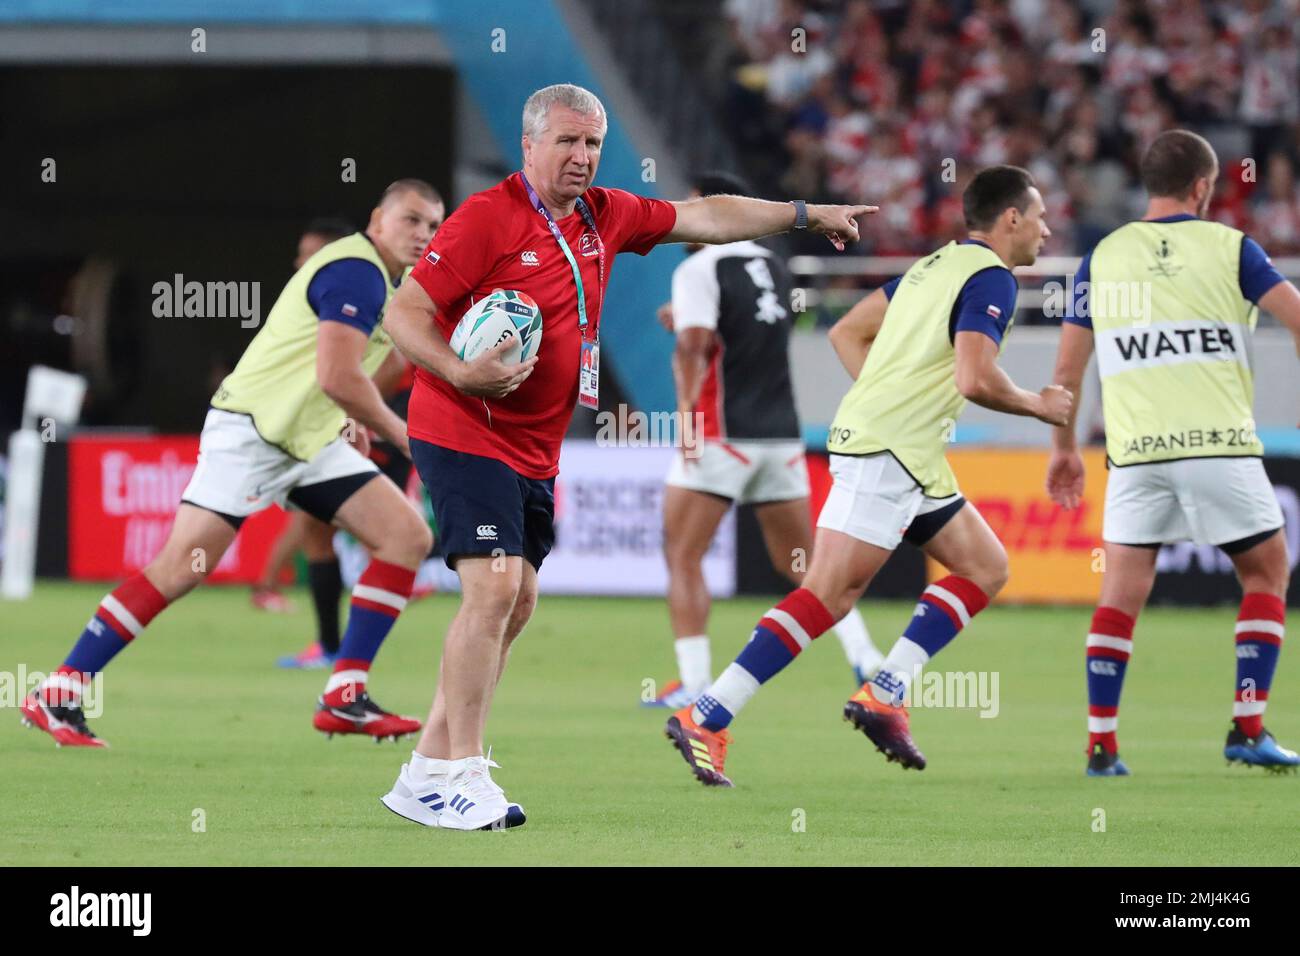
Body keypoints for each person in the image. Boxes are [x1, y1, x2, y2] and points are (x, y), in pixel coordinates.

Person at [380, 82, 876, 830]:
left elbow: (707, 215)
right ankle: (461, 773)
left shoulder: (605, 216)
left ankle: (424, 769)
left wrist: (805, 215)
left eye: (593, 145)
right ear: (530, 145)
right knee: (492, 590)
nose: (581, 158)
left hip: (533, 449)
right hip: (461, 428)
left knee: (515, 601)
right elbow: (403, 312)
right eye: (567, 143)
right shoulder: (489, 217)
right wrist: (458, 371)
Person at [664, 165, 1072, 786]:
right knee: (827, 594)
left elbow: (847, 331)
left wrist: (889, 397)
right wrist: (1038, 405)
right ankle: (708, 714)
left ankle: (885, 692)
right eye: (1040, 216)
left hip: (910, 452)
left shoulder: (934, 265)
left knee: (986, 567)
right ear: (1011, 218)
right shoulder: (991, 277)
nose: (1047, 229)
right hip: (890, 450)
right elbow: (975, 377)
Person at [21, 180, 443, 748]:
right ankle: (59, 692)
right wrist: (398, 431)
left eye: (434, 225)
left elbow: (339, 374)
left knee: (405, 536)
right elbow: (336, 375)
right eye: (412, 220)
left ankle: (345, 694)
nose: (423, 234)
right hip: (251, 434)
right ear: (377, 219)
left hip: (305, 441)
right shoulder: (355, 270)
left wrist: (352, 419)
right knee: (180, 570)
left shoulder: (389, 283)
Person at [1045, 129, 1300, 776]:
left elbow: (1067, 374)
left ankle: (1101, 745)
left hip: (1136, 455)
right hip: (1218, 445)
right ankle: (1246, 727)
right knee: (1267, 571)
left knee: (1121, 594)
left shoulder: (1101, 256)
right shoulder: (1232, 248)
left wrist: (1063, 449)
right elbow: (1297, 317)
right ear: (1202, 187)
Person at [651, 170, 883, 709]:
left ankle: (692, 681)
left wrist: (685, 416)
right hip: (779, 436)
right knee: (804, 563)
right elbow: (742, 332)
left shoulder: (699, 266)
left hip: (721, 434)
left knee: (683, 554)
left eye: (693, 204)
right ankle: (865, 655)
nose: (687, 216)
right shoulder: (771, 265)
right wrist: (685, 320)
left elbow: (695, 347)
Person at [251, 216, 358, 617]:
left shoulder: (358, 300)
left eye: (309, 256)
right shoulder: (307, 308)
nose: (299, 264)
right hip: (305, 426)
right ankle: (267, 585)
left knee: (319, 521)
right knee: (314, 522)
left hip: (335, 423)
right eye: (301, 256)